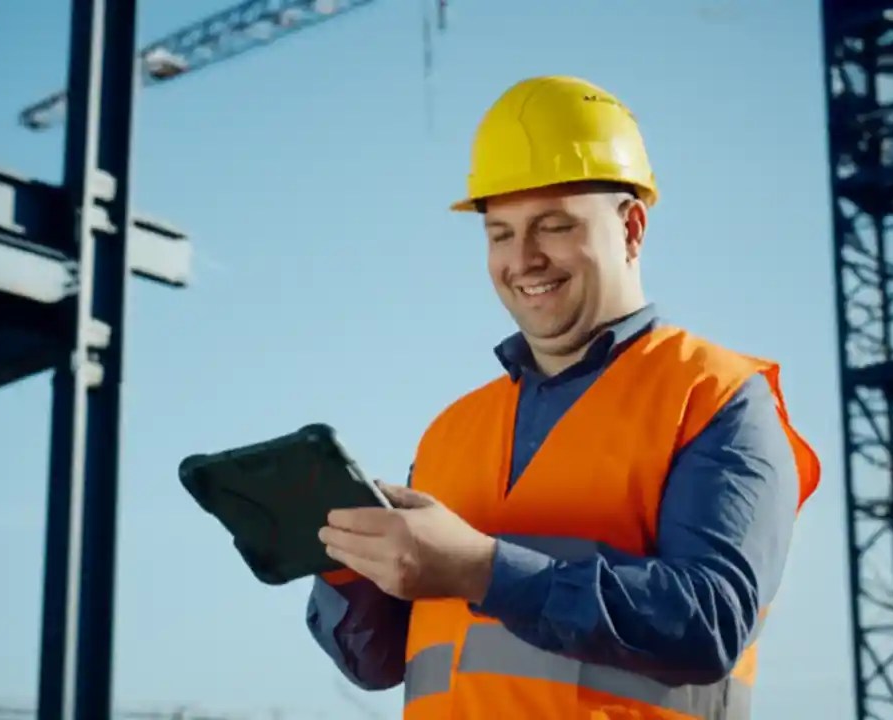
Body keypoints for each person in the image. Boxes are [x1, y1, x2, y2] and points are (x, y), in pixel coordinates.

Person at [304, 75, 821, 719]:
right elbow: (377, 662)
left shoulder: (715, 397)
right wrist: (348, 560)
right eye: (499, 234)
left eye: (552, 226)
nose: (523, 259)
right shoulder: (450, 431)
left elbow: (709, 620)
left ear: (631, 228)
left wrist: (480, 568)